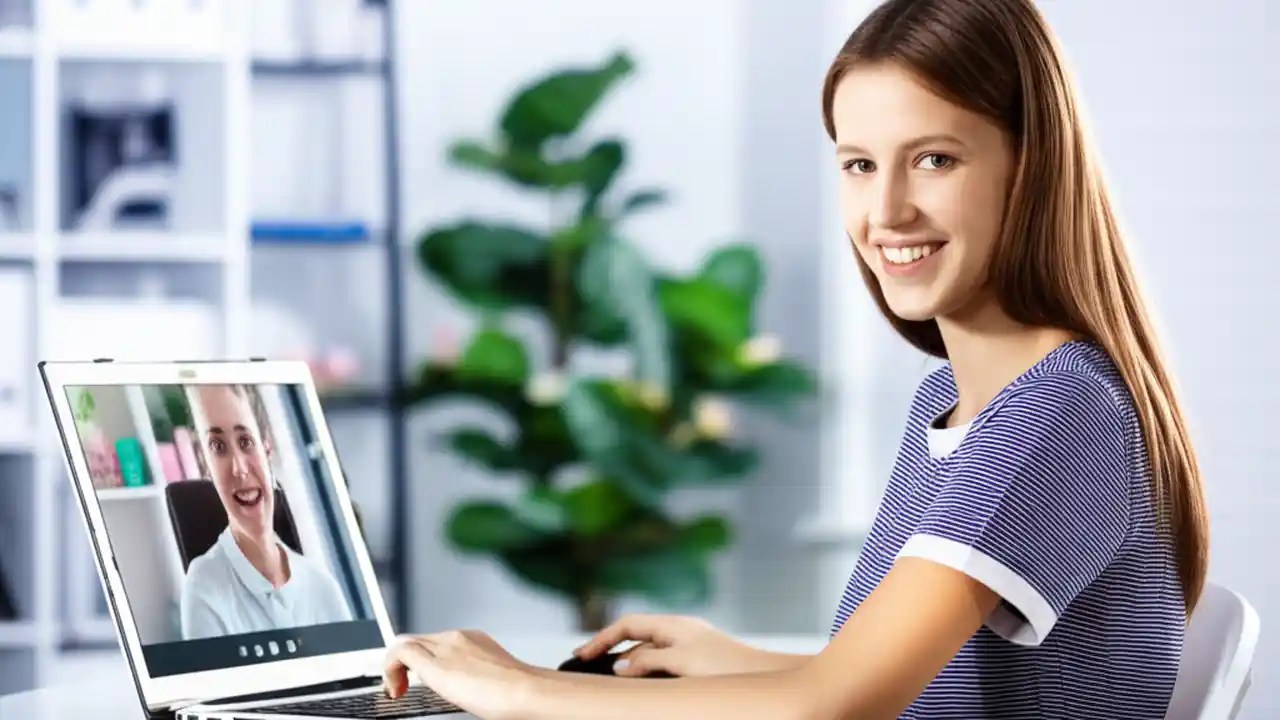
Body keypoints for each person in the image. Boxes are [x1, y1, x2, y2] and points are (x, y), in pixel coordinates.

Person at [380, 0, 1209, 717]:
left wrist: (515, 691)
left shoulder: (1058, 412)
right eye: (858, 164)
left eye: (935, 159)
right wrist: (733, 659)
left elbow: (834, 708)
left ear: (1032, 169)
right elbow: (895, 687)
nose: (886, 210)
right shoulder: (951, 404)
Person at [179, 384, 353, 640]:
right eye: (217, 447)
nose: (239, 468)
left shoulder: (320, 583)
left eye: (246, 441)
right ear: (205, 464)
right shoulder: (204, 587)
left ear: (267, 447)